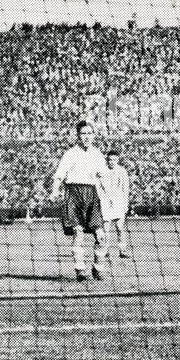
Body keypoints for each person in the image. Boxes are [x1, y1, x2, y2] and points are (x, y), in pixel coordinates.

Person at [51, 120, 107, 281]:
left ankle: (98, 268)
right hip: (73, 194)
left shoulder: (97, 154)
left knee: (101, 236)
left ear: (94, 135)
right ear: (78, 136)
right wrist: (55, 190)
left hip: (92, 195)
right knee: (78, 233)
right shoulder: (70, 154)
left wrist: (109, 196)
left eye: (90, 133)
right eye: (83, 134)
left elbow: (103, 178)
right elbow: (59, 175)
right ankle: (80, 269)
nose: (87, 137)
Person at [98, 150, 132, 259]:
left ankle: (122, 250)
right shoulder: (102, 171)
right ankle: (106, 249)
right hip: (105, 202)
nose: (112, 162)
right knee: (106, 228)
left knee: (119, 227)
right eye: (110, 160)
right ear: (107, 160)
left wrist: (125, 204)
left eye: (114, 160)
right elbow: (98, 187)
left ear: (118, 160)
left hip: (118, 202)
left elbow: (125, 189)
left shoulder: (122, 171)